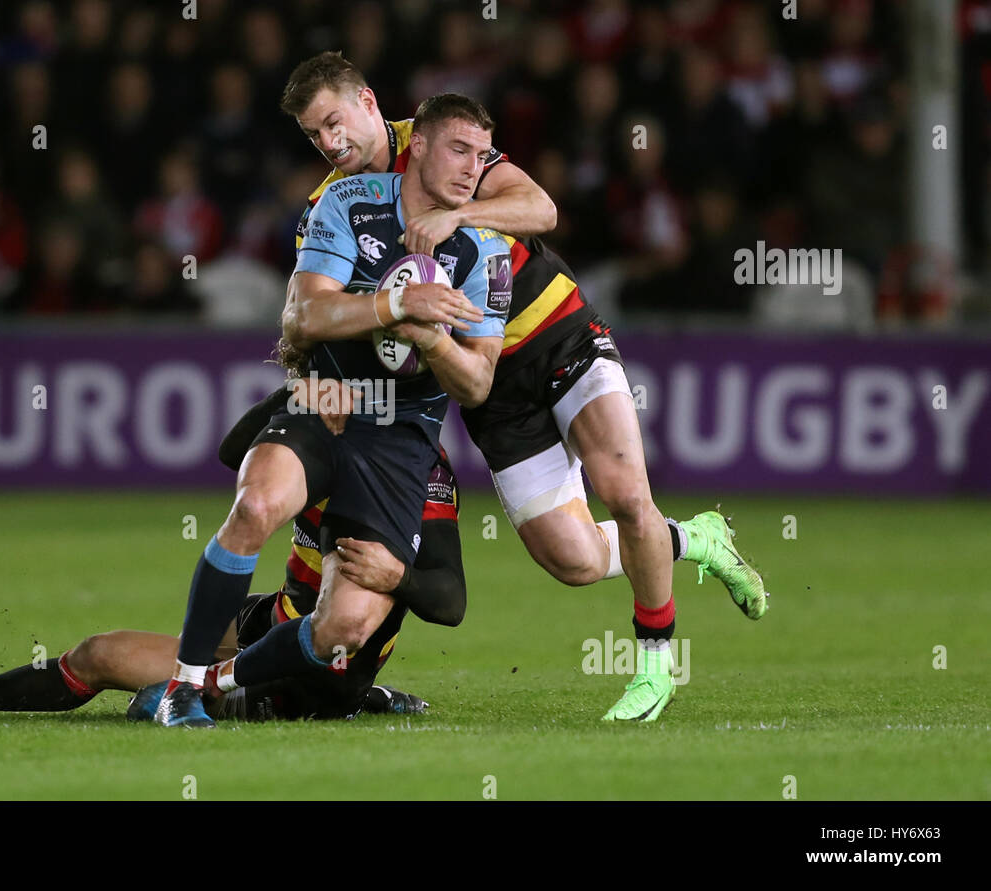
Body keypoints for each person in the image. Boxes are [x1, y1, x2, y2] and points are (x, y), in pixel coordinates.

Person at [277, 53, 769, 723]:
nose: (330, 144)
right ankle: (695, 538)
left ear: (367, 102)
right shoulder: (333, 203)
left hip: (556, 333)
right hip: (484, 377)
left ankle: (654, 666)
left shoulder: (434, 142)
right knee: (570, 558)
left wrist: (462, 217)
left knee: (625, 493)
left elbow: (540, 207)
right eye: (313, 135)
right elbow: (312, 309)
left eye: (334, 122)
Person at [155, 93, 512, 728]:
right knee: (256, 503)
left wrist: (432, 338)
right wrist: (397, 307)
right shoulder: (349, 203)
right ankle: (181, 688)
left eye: (483, 157)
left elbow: (478, 384)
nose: (472, 169)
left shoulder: (487, 252)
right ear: (419, 146)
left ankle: (217, 682)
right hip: (328, 402)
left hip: (401, 436)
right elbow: (304, 315)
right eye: (459, 150)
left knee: (344, 623)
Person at [0, 380, 467, 723]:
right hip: (276, 615)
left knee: (164, 692)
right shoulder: (315, 433)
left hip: (321, 667)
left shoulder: (419, 471)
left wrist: (397, 574)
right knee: (97, 654)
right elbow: (235, 452)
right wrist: (298, 396)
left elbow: (450, 600)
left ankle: (248, 697)